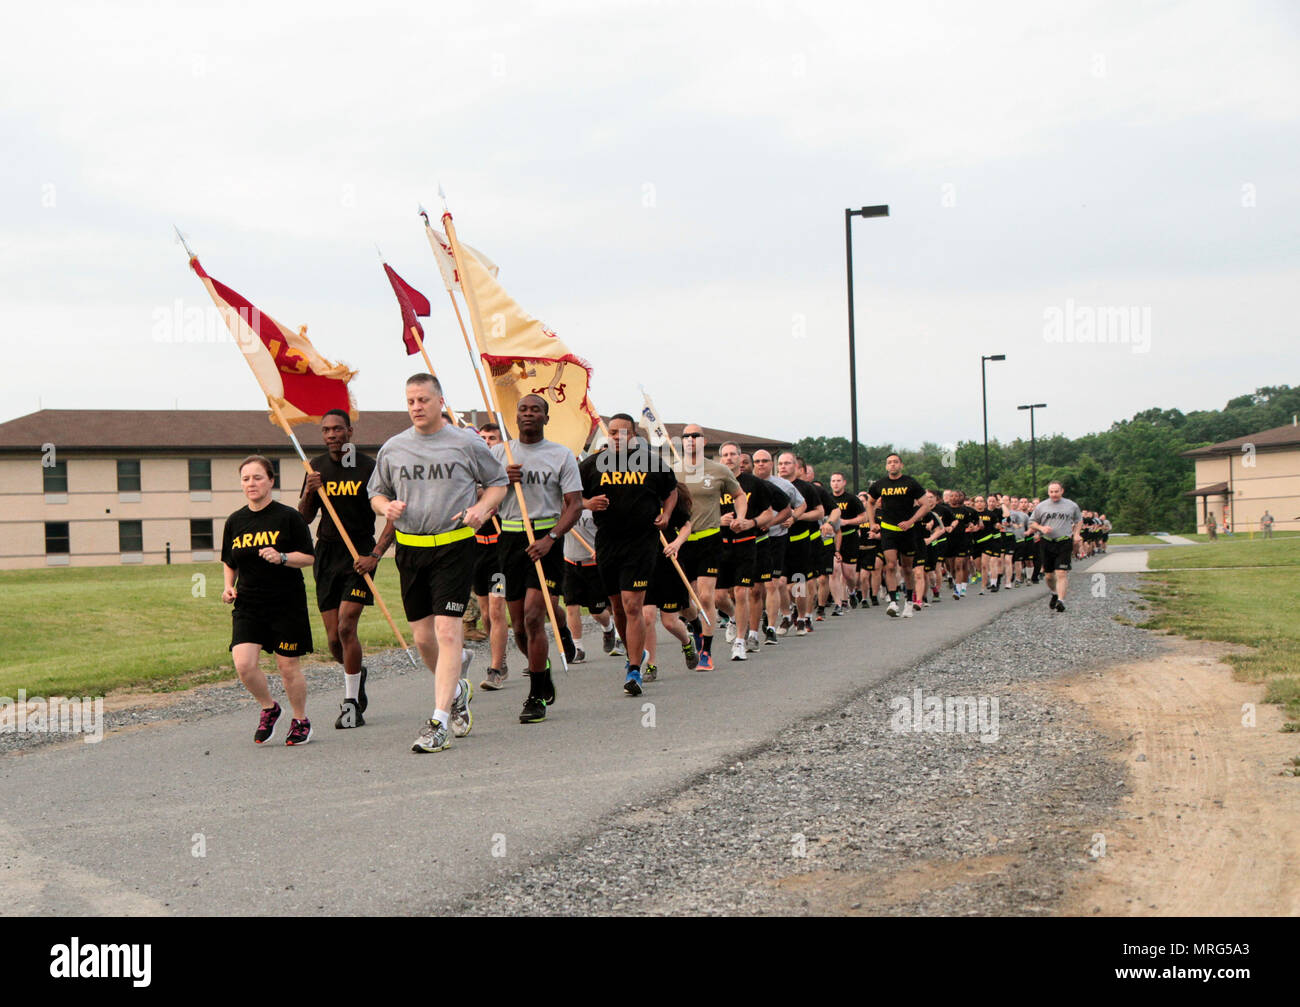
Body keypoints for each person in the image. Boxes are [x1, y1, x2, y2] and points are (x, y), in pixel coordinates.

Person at [368, 373, 509, 754]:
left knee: (449, 633)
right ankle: (458, 689)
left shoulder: (466, 442)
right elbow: (376, 493)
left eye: (423, 400)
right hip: (411, 549)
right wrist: (387, 506)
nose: (416, 407)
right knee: (423, 638)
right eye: (410, 401)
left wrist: (481, 508)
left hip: (455, 546)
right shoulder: (393, 448)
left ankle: (439, 722)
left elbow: (498, 483)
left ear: (440, 401)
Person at [298, 409, 395, 730]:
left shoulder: (369, 467)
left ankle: (352, 703)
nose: (331, 435)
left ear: (349, 432)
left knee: (346, 627)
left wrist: (376, 555)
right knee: (332, 640)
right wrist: (311, 490)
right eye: (325, 430)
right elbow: (304, 518)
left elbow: (393, 516)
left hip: (359, 555)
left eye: (337, 429)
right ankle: (357, 672)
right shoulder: (315, 468)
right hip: (326, 555)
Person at [492, 394, 583, 724]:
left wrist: (552, 538)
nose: (528, 414)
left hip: (546, 538)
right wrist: (502, 481)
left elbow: (574, 504)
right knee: (518, 627)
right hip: (510, 539)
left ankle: (534, 697)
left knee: (533, 617)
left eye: (536, 410)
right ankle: (542, 675)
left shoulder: (560, 456)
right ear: (515, 416)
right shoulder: (500, 454)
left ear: (546, 417)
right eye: (523, 409)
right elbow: (480, 495)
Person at [578, 414, 677, 694]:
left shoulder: (651, 463)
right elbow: (571, 498)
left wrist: (667, 514)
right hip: (608, 542)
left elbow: (671, 491)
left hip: (641, 542)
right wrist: (588, 503)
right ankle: (635, 652)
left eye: (624, 432)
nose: (617, 436)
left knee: (633, 605)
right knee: (617, 607)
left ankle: (634, 670)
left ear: (633, 436)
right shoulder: (593, 464)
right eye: (613, 432)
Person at [222, 455, 317, 746]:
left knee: (288, 668)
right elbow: (229, 560)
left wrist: (282, 557)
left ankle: (301, 720)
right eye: (246, 479)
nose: (251, 483)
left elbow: (309, 557)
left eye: (258, 477)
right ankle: (269, 707)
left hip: (286, 603)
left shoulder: (288, 517)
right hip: (249, 604)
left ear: (271, 481)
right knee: (244, 665)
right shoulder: (235, 521)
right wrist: (228, 586)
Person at [672, 424, 744, 670]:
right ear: (682, 441)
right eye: (687, 436)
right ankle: (697, 629)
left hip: (710, 538)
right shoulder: (673, 471)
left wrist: (740, 518)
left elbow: (740, 495)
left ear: (704, 441)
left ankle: (706, 652)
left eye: (696, 436)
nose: (691, 439)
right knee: (688, 602)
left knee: (706, 597)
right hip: (682, 542)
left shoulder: (719, 470)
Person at [642, 484, 699, 679]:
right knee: (647, 617)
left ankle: (687, 641)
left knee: (669, 622)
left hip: (668, 563)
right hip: (643, 563)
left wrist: (676, 544)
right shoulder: (633, 496)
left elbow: (686, 525)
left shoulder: (669, 496)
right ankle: (651, 665)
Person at [470, 423, 511, 691]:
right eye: (482, 438)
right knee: (485, 612)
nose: (487, 442)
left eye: (492, 438)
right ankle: (502, 656)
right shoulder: (470, 471)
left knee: (497, 609)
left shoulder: (505, 472)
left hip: (500, 549)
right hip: (476, 550)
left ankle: (496, 668)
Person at [866, 453, 932, 617]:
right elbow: (869, 502)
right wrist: (872, 522)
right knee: (890, 565)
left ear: (901, 465)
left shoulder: (910, 482)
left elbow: (926, 505)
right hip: (888, 529)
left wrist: (912, 520)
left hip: (907, 530)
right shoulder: (880, 484)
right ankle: (893, 602)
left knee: (907, 568)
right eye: (889, 462)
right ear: (886, 466)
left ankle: (909, 602)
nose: (892, 465)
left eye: (895, 462)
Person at [751, 450, 798, 643]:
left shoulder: (784, 485)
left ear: (772, 463)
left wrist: (787, 519)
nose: (761, 464)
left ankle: (771, 626)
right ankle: (756, 618)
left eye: (765, 461)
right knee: (754, 588)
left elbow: (798, 506)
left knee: (774, 583)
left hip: (777, 538)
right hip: (753, 540)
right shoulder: (747, 484)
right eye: (757, 461)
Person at [1027, 480, 1083, 613]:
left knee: (1062, 573)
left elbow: (1079, 520)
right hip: (1046, 542)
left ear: (1062, 491)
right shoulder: (1041, 506)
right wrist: (1041, 527)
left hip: (1064, 542)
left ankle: (1061, 601)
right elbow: (1032, 522)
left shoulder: (1071, 505)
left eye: (1056, 491)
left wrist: (1076, 534)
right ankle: (1054, 592)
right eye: (1051, 492)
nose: (1054, 494)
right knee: (1049, 576)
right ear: (1048, 492)